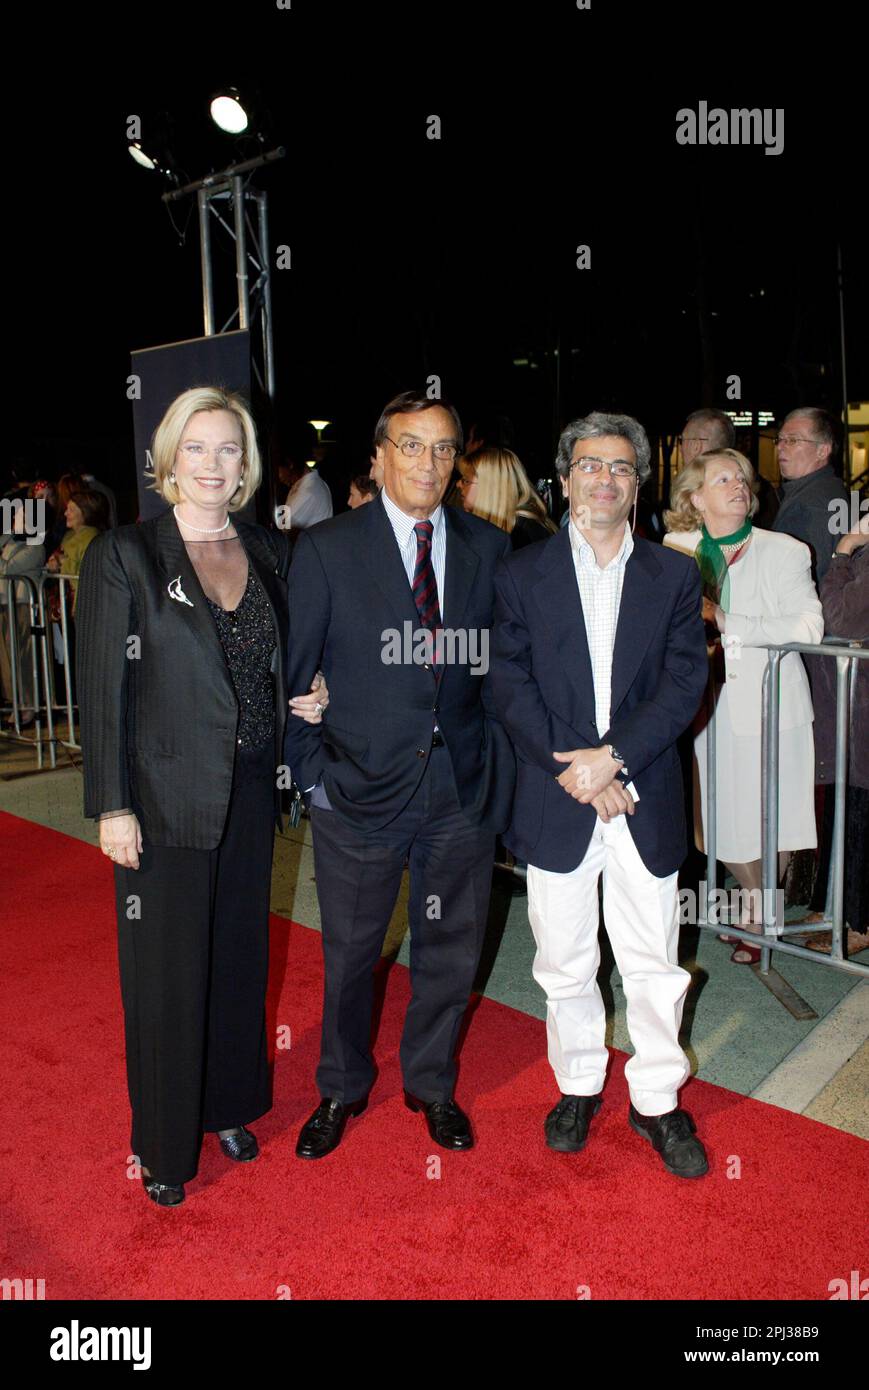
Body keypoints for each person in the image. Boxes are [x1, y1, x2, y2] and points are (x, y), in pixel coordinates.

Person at [76, 386, 329, 1208]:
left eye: (228, 449)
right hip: (158, 800)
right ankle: (161, 1143)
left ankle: (227, 1104)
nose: (213, 465)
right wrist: (112, 806)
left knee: (235, 958)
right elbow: (103, 688)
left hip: (251, 790)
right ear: (169, 458)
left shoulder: (267, 548)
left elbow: (282, 655)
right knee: (165, 975)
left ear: (246, 463)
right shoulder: (125, 554)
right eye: (197, 448)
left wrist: (310, 690)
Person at [284, 388, 516, 1159]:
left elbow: (503, 675)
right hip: (357, 792)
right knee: (350, 956)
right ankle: (341, 1086)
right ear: (380, 456)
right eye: (411, 446)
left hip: (460, 794)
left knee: (450, 949)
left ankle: (432, 1084)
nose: (428, 461)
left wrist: (500, 778)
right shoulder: (326, 548)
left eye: (443, 448)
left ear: (458, 464)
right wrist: (313, 778)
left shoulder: (488, 549)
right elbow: (294, 676)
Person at [489, 411, 711, 1179]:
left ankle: (656, 1099)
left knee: (653, 960)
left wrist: (610, 761)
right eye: (589, 465)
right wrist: (576, 771)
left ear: (638, 481)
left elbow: (685, 685)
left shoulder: (676, 575)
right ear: (564, 479)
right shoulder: (520, 575)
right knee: (563, 958)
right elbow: (508, 685)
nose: (604, 479)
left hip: (641, 795)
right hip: (558, 801)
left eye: (620, 467)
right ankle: (578, 1082)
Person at [664, 448, 823, 962]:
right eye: (723, 478)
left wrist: (730, 622)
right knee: (718, 817)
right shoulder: (676, 548)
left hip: (773, 703)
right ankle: (759, 906)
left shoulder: (785, 549)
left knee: (773, 813)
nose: (738, 485)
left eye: (743, 479)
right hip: (704, 705)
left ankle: (760, 912)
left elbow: (808, 626)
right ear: (695, 496)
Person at [801, 517, 869, 949]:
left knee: (860, 807)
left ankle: (859, 922)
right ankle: (845, 911)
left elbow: (841, 618)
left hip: (861, 709)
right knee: (853, 804)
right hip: (855, 707)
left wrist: (843, 551)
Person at [772, 407, 850, 585]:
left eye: (792, 440)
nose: (780, 447)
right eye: (780, 439)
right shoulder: (831, 488)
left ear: (822, 451)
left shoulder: (809, 505)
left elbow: (796, 582)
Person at [457, 446, 557, 548]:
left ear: (490, 487)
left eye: (466, 481)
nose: (458, 484)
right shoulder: (506, 526)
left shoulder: (524, 534)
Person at [0, 503, 45, 727]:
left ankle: (29, 705)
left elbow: (7, 568)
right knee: (8, 659)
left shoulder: (35, 546)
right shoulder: (10, 541)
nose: (15, 518)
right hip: (6, 604)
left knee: (24, 656)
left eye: (20, 515)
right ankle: (16, 702)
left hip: (24, 604)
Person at [277, 457, 333, 531]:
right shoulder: (307, 486)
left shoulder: (309, 491)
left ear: (290, 465)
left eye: (278, 470)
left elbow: (284, 528)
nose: (279, 477)